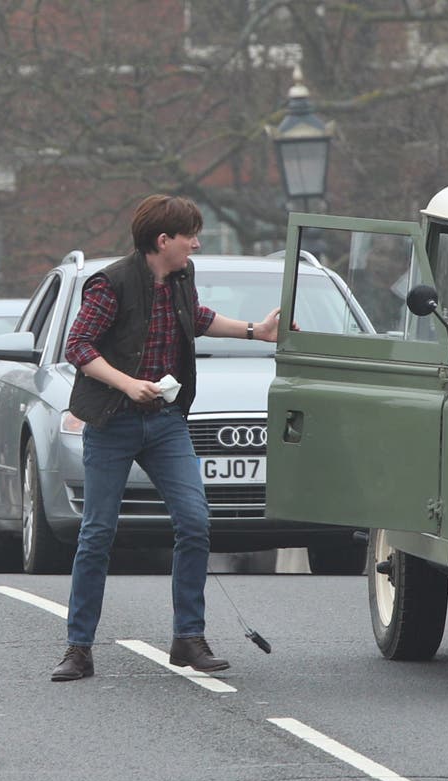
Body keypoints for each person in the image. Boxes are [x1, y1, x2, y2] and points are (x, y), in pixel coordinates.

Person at [51, 194, 284, 682]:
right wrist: (126, 383)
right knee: (98, 534)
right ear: (163, 241)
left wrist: (254, 331)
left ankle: (188, 638)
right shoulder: (110, 283)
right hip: (111, 420)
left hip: (165, 422)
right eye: (190, 236)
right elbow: (78, 345)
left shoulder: (182, 277)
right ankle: (79, 648)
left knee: (195, 521)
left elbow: (194, 318)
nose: (195, 244)